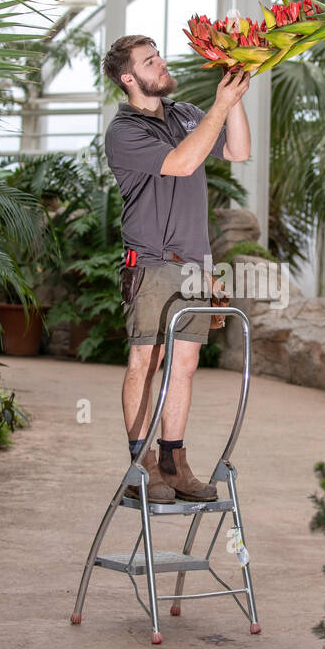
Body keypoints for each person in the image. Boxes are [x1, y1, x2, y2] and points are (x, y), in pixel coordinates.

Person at [100, 34, 251, 503]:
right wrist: (220, 106)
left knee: (182, 364)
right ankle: (141, 466)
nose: (161, 64)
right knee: (145, 361)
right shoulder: (125, 132)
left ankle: (174, 461)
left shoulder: (186, 113)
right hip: (151, 261)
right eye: (150, 61)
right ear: (129, 78)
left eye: (159, 55)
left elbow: (238, 151)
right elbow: (183, 163)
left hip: (195, 263)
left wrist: (236, 93)